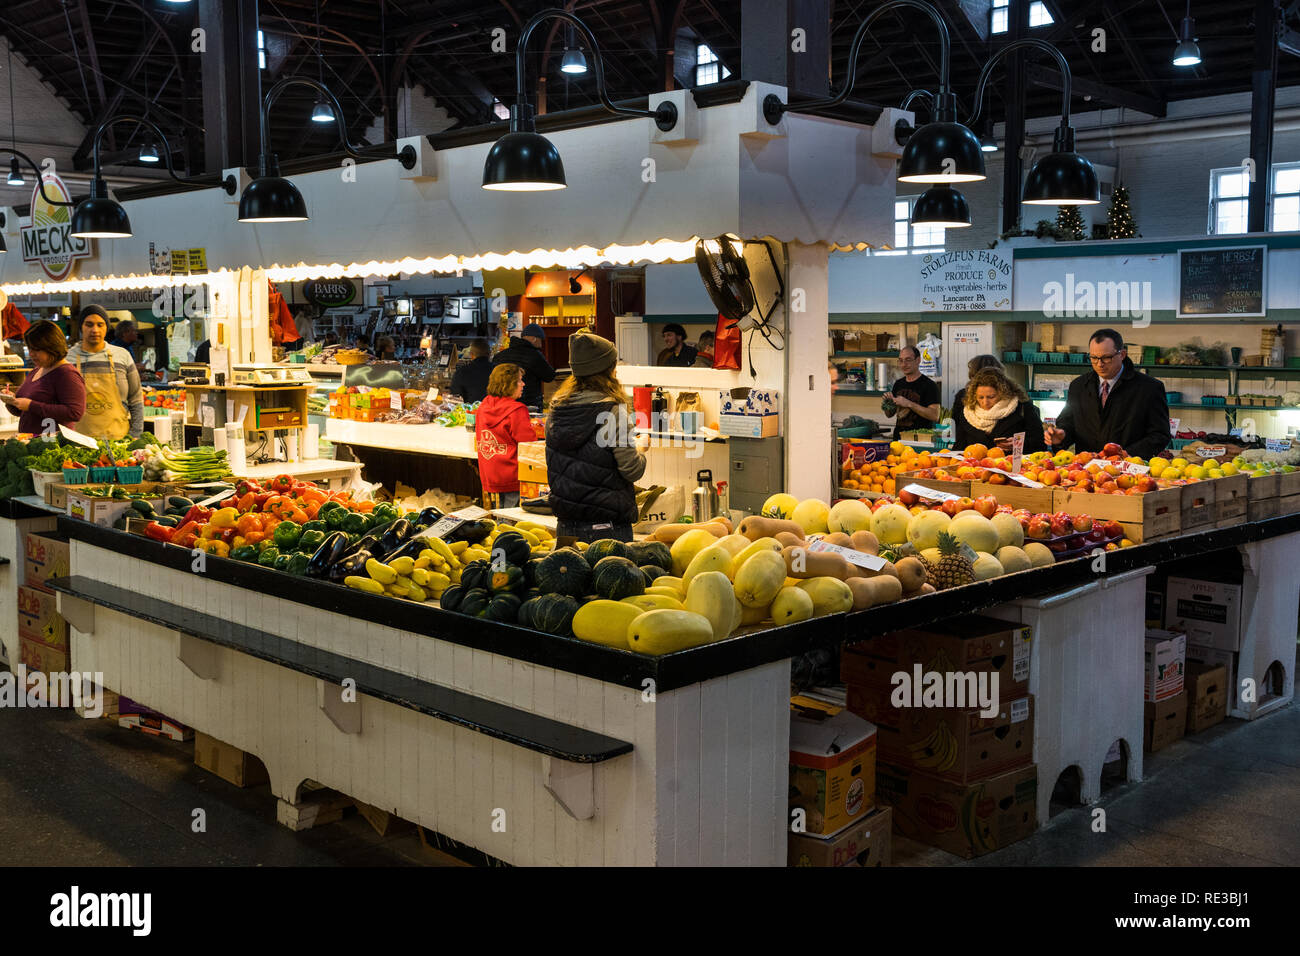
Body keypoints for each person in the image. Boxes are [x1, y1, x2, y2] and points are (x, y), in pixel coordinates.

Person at [545, 330, 647, 544]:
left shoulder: (556, 411)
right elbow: (632, 470)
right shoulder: (613, 412)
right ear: (608, 370)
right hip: (606, 530)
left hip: (566, 527)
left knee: (568, 575)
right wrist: (641, 449)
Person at [1044, 328, 1171, 458]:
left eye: (1106, 358)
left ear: (1122, 354)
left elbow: (1160, 434)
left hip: (1130, 471)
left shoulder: (1149, 388)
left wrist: (1127, 454)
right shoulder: (1079, 386)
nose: (1100, 364)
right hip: (1086, 472)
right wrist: (1061, 437)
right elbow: (1068, 423)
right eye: (1094, 358)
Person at [66, 305, 144, 439]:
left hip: (118, 440)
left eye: (100, 325)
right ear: (81, 327)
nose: (94, 330)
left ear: (106, 328)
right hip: (79, 441)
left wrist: (135, 435)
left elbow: (136, 399)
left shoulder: (122, 355)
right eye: (89, 324)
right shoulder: (67, 359)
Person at [1, 320, 85, 434]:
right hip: (32, 443)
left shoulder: (67, 374)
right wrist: (12, 401)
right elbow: (24, 411)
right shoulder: (37, 370)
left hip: (52, 445)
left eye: (36, 349)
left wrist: (31, 405)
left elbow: (75, 412)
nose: (31, 354)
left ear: (52, 347)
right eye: (29, 348)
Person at [476, 363, 538, 511]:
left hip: (490, 474)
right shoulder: (517, 410)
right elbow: (529, 444)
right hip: (513, 475)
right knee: (513, 523)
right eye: (519, 380)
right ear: (509, 384)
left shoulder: (483, 407)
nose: (523, 384)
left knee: (499, 520)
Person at [952, 368, 1047, 455]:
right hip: (975, 470)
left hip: (1013, 469)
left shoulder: (1022, 408)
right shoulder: (968, 413)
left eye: (991, 397)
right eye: (980, 397)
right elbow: (959, 447)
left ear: (1003, 393)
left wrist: (1019, 444)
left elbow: (1040, 443)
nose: (985, 402)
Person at [492, 323, 555, 410]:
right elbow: (549, 376)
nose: (541, 344)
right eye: (541, 340)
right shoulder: (535, 355)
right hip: (529, 405)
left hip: (503, 404)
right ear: (534, 339)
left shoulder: (500, 356)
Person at [883, 345, 941, 438]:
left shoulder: (929, 385)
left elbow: (935, 415)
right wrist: (888, 403)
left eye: (908, 360)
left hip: (920, 441)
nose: (903, 364)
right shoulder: (898, 383)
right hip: (898, 439)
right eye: (901, 360)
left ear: (918, 360)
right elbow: (889, 414)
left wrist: (909, 404)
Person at [450, 338, 492, 404]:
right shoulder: (498, 370)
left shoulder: (461, 372)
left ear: (471, 355)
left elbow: (455, 398)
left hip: (470, 412)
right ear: (489, 354)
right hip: (495, 411)